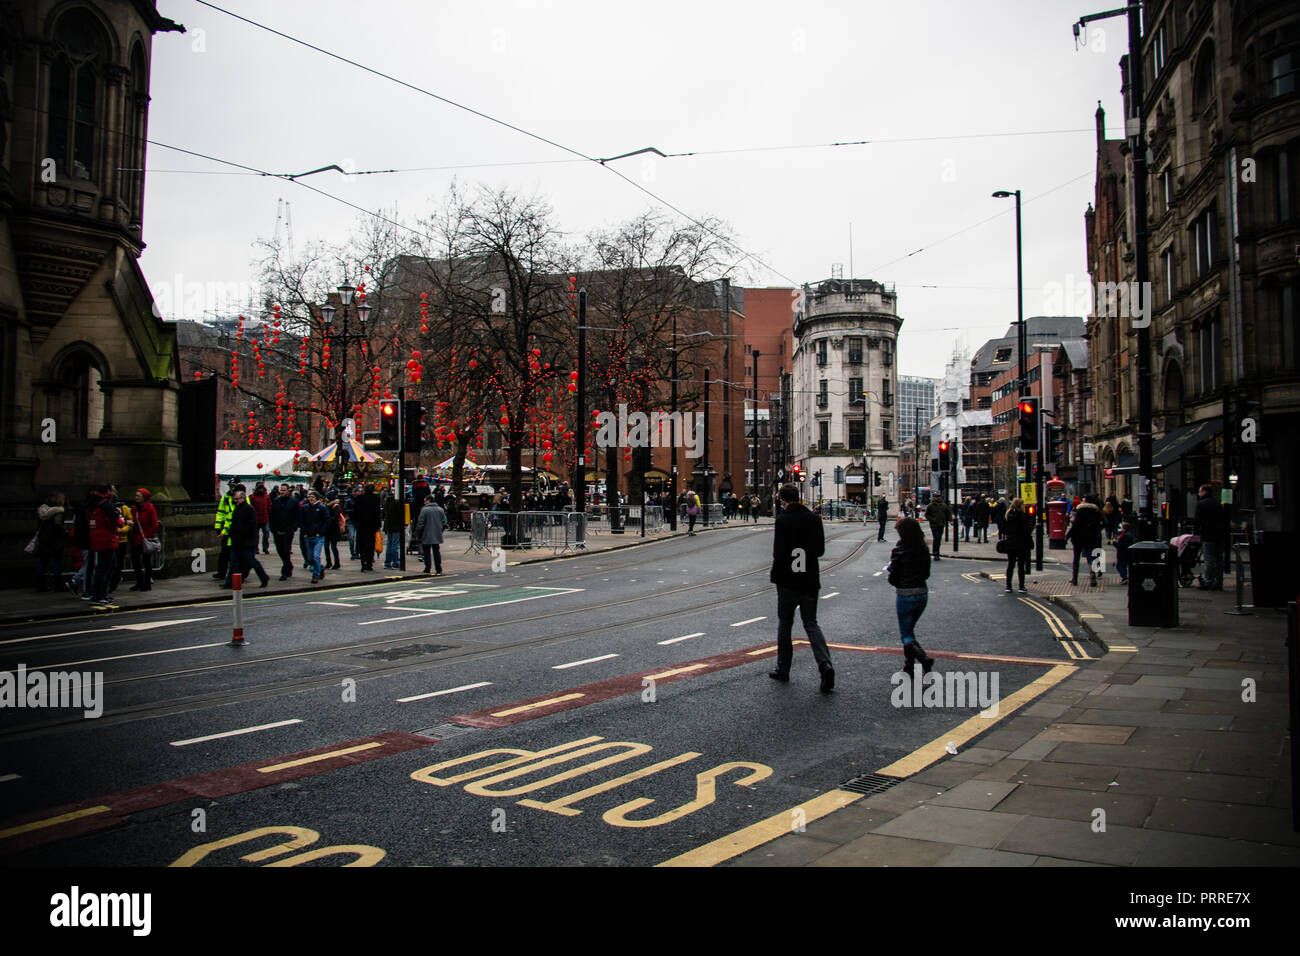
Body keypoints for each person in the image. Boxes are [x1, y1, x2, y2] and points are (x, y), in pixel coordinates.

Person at [768, 484, 834, 692]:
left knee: (785, 624)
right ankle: (825, 665)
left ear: (784, 500)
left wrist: (776, 576)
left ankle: (783, 668)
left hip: (788, 580)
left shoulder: (782, 521)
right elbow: (820, 550)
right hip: (809, 579)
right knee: (811, 623)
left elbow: (778, 553)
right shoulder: (814, 519)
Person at [888, 516, 936, 676]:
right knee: (909, 630)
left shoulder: (899, 550)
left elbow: (893, 576)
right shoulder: (923, 548)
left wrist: (895, 580)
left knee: (906, 635)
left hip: (905, 595)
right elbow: (926, 573)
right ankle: (908, 665)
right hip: (922, 594)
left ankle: (924, 658)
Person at [226, 487, 269, 588]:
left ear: (242, 498)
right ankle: (229, 583)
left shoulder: (249, 509)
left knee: (252, 562)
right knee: (233, 563)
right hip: (236, 542)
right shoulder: (237, 509)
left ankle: (264, 578)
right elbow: (234, 525)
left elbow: (250, 527)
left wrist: (247, 540)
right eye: (234, 499)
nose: (234, 501)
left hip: (247, 543)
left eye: (236, 499)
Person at [1193, 483, 1226, 590]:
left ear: (1205, 492)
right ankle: (1219, 581)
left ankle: (1209, 581)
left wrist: (1196, 531)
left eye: (1200, 491)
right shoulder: (1218, 503)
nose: (1199, 493)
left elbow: (1197, 521)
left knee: (1209, 559)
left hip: (1208, 535)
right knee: (1219, 559)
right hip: (1220, 535)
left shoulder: (1201, 504)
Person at [1065, 493, 1103, 587]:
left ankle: (1075, 579)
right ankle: (1092, 575)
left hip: (1078, 538)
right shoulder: (1096, 511)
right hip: (1091, 537)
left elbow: (1075, 526)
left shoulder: (1080, 510)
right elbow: (1104, 522)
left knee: (1076, 558)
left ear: (1085, 501)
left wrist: (1067, 537)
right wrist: (1097, 530)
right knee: (1090, 557)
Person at [33, 493, 68, 593]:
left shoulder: (42, 511)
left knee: (42, 562)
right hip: (55, 541)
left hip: (43, 540)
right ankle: (58, 585)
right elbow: (58, 526)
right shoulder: (58, 512)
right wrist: (64, 534)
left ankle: (40, 585)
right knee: (56, 562)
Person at [128, 488, 159, 592]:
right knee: (136, 562)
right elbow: (131, 520)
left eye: (138, 496)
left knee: (146, 562)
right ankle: (139, 582)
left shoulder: (150, 508)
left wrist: (147, 535)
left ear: (144, 498)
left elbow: (155, 524)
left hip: (145, 539)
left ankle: (147, 583)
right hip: (135, 539)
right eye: (136, 496)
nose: (136, 497)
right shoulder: (133, 508)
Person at [269, 484, 300, 580]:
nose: (282, 492)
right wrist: (272, 528)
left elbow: (297, 516)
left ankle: (285, 571)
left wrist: (294, 527)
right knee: (280, 550)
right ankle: (289, 565)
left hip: (288, 531)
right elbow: (271, 515)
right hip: (277, 530)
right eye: (281, 490)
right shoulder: (276, 501)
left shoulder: (294, 502)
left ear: (288, 491)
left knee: (286, 550)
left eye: (284, 490)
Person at [1003, 497, 1033, 593]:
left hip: (1010, 543)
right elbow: (1026, 530)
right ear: (1020, 505)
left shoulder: (1008, 515)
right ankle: (1021, 586)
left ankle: (1008, 586)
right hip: (1021, 543)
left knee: (1011, 564)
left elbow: (1004, 529)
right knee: (1021, 565)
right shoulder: (1022, 515)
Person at [301, 490, 331, 583]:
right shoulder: (305, 508)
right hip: (308, 536)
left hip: (318, 537)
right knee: (310, 558)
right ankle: (320, 568)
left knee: (316, 556)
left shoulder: (322, 508)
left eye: (312, 497)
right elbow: (302, 521)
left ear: (317, 498)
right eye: (309, 497)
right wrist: (304, 532)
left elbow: (327, 521)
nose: (310, 499)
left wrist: (321, 532)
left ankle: (316, 575)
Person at [413, 495, 448, 575]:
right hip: (437, 534)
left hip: (426, 534)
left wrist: (417, 534)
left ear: (429, 500)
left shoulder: (424, 510)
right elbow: (444, 522)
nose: (424, 502)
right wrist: (440, 530)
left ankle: (427, 568)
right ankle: (438, 568)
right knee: (436, 551)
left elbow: (420, 524)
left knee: (426, 552)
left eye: (425, 500)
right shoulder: (440, 509)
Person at [924, 495, 950, 560]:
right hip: (934, 525)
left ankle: (937, 552)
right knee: (936, 538)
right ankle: (935, 553)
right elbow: (926, 515)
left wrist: (949, 520)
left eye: (939, 497)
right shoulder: (930, 505)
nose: (938, 498)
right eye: (936, 497)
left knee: (938, 539)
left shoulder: (943, 505)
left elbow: (948, 513)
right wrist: (932, 520)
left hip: (941, 524)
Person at [383, 492, 405, 569]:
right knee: (395, 544)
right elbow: (400, 514)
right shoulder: (397, 503)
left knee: (389, 543)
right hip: (396, 526)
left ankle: (387, 562)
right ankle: (395, 562)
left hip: (388, 525)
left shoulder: (386, 503)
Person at [250, 482, 272, 554]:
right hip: (256, 519)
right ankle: (256, 548)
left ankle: (265, 548)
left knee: (266, 533)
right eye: (259, 488)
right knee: (256, 535)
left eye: (262, 488)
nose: (260, 489)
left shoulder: (266, 496)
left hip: (265, 519)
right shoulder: (252, 497)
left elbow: (269, 507)